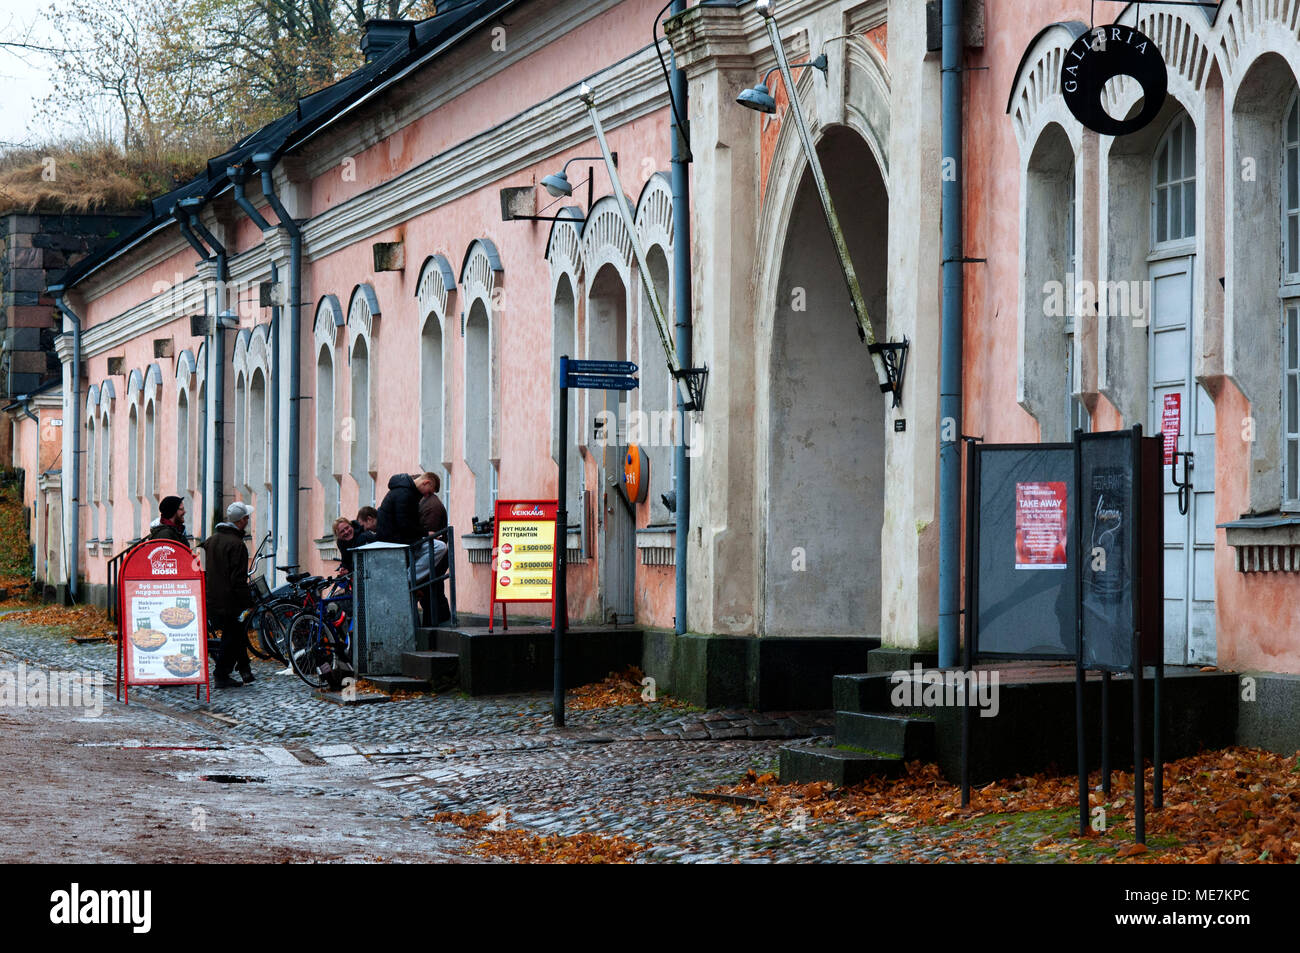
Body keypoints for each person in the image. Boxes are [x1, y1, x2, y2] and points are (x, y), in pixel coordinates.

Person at [201, 501, 256, 688]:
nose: (248, 520)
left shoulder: (213, 540)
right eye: (247, 518)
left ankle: (244, 669)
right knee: (232, 635)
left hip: (212, 596)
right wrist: (248, 602)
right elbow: (238, 579)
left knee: (235, 633)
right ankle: (221, 674)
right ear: (241, 521)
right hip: (229, 600)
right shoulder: (237, 545)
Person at [377, 472, 437, 545]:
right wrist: (426, 533)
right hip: (395, 543)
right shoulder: (405, 493)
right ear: (426, 482)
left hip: (393, 540)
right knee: (439, 546)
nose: (427, 496)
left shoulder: (406, 491)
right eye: (429, 492)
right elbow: (404, 524)